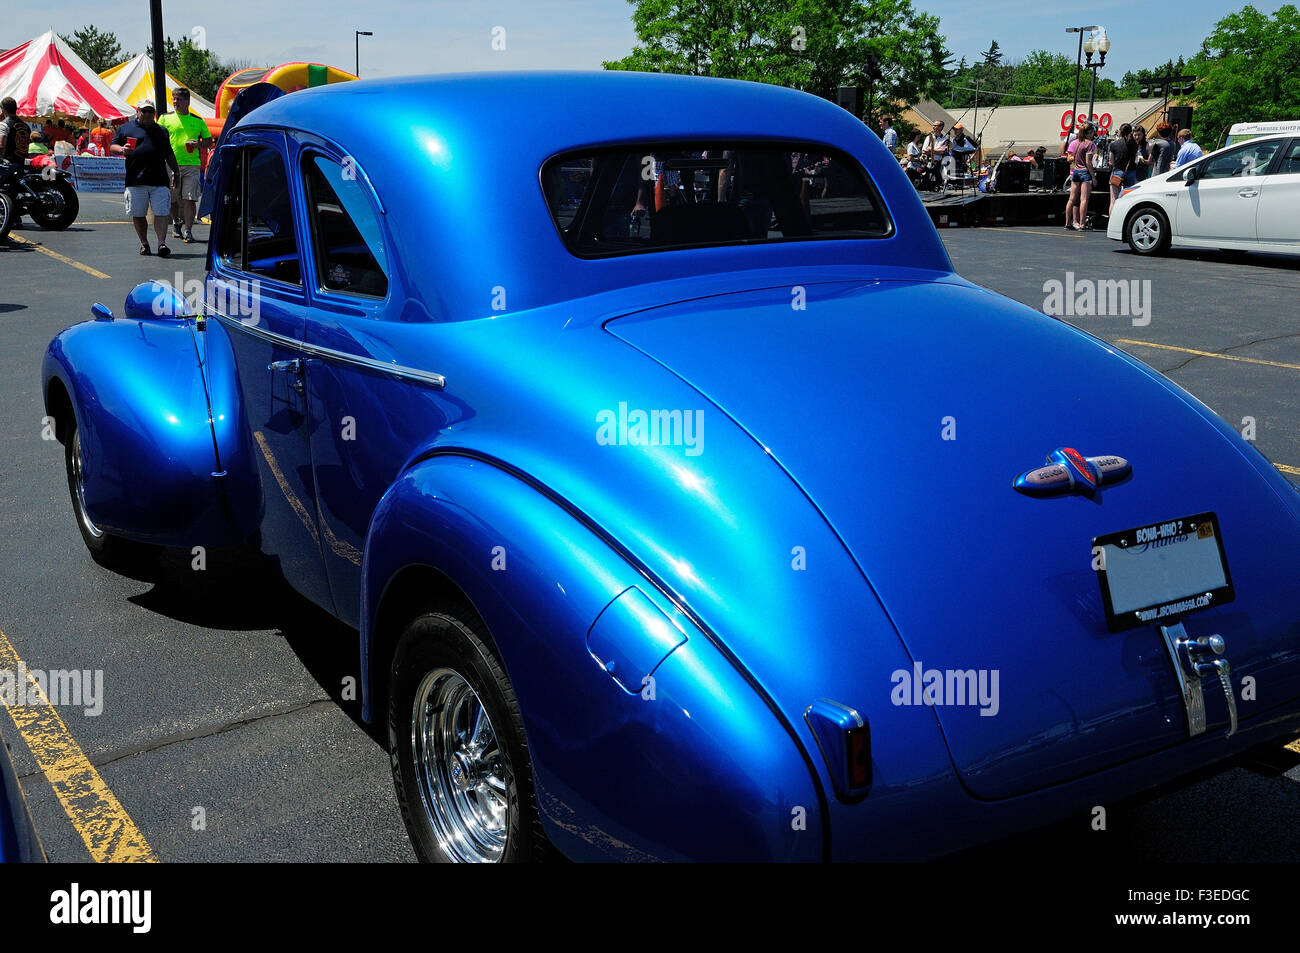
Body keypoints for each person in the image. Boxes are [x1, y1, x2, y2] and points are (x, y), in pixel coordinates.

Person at [111, 100, 180, 257]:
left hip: (160, 180)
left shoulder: (162, 131)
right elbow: (112, 146)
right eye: (145, 111)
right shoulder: (126, 128)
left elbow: (169, 154)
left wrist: (176, 172)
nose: (148, 114)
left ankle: (162, 244)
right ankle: (144, 244)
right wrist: (122, 149)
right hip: (136, 180)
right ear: (138, 111)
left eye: (151, 111)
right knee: (138, 213)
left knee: (162, 212)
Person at [157, 88, 213, 243]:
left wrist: (199, 144)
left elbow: (209, 141)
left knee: (190, 199)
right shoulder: (164, 119)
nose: (176, 102)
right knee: (172, 198)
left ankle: (188, 230)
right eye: (174, 99)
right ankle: (176, 223)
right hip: (170, 164)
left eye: (179, 99)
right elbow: (156, 136)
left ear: (187, 102)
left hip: (192, 165)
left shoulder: (198, 120)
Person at [1065, 124, 1097, 231]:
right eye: (1092, 133)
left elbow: (1071, 159)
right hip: (1085, 172)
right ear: (1089, 133)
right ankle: (1082, 224)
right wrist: (1093, 177)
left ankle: (1068, 223)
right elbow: (1089, 162)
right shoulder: (1090, 144)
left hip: (1076, 172)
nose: (1093, 135)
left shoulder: (1075, 143)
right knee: (1084, 199)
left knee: (1072, 199)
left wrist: (1073, 169)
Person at [1108, 122, 1136, 215]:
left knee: (1113, 200)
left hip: (1117, 172)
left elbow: (1111, 162)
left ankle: (1112, 221)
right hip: (1130, 172)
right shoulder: (1134, 144)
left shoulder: (1114, 144)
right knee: (1128, 199)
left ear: (1120, 131)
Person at [0, 97, 26, 164]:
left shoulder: (4, 124)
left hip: (7, 166)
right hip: (21, 163)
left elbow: (1, 146)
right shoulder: (26, 126)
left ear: (3, 109)